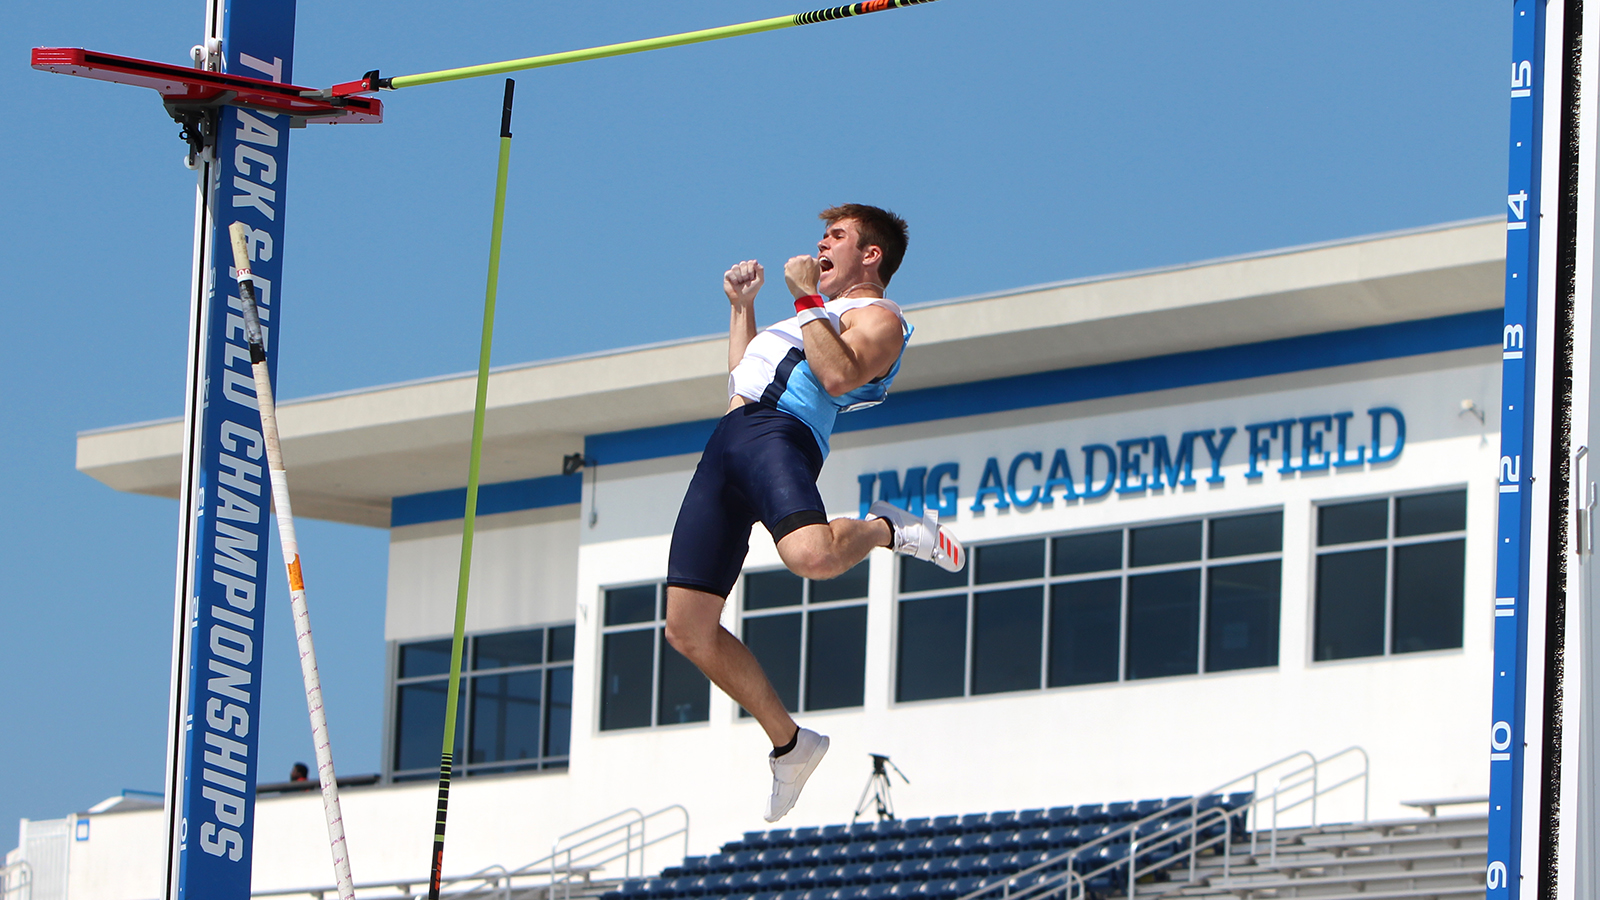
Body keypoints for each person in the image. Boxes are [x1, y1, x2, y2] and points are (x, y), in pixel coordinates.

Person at [663, 204, 965, 822]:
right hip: (728, 443)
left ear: (871, 255)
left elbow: (835, 377)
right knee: (686, 629)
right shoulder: (805, 318)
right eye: (822, 236)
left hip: (781, 435)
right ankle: (790, 744)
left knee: (812, 556)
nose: (821, 245)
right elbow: (743, 378)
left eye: (836, 237)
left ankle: (886, 527)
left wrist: (805, 298)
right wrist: (742, 307)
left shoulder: (880, 318)